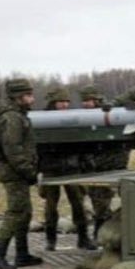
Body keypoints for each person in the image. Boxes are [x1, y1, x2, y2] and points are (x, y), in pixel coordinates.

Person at [0, 77, 42, 269]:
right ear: (18, 97)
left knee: (24, 213)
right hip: (14, 172)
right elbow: (13, 150)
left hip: (16, 172)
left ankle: (22, 253)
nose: (32, 99)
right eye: (28, 95)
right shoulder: (12, 118)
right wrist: (29, 171)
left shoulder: (17, 115)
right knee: (16, 213)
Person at [36, 87, 94, 251]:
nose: (64, 105)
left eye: (66, 102)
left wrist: (84, 164)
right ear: (53, 103)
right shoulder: (42, 120)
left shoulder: (72, 118)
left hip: (71, 167)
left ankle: (83, 238)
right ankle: (50, 239)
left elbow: (81, 142)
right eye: (61, 102)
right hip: (50, 169)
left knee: (78, 204)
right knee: (50, 207)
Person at [79, 84, 126, 236]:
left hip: (113, 165)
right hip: (95, 167)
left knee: (122, 198)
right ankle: (100, 232)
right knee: (99, 202)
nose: (86, 104)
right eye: (84, 101)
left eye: (88, 100)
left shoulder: (109, 114)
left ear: (96, 100)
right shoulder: (85, 117)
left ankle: (116, 229)